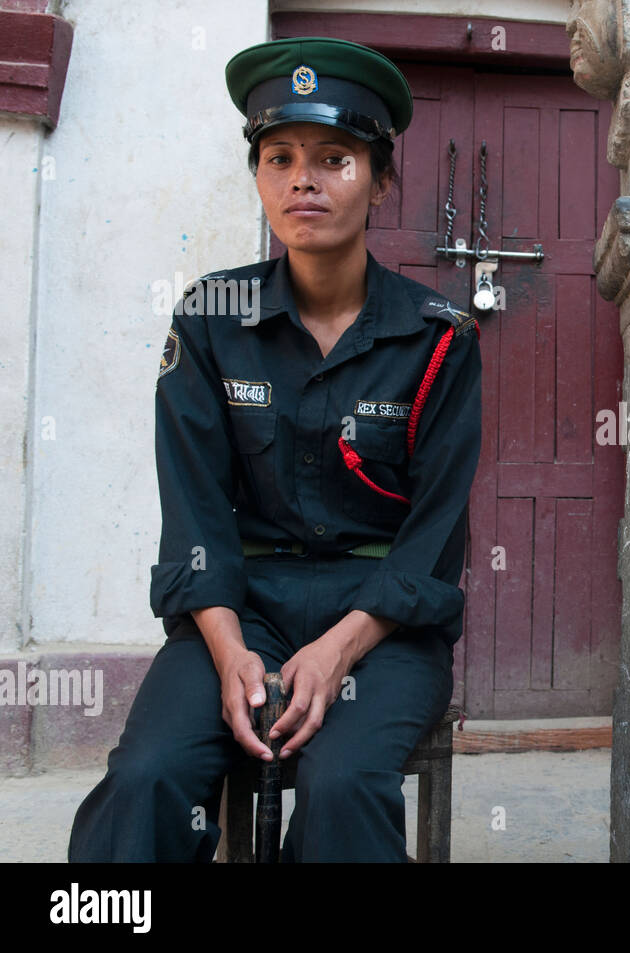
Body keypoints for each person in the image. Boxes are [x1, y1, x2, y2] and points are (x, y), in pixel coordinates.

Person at [68, 37, 482, 862]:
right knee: (146, 776)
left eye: (335, 157)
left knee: (341, 787)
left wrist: (334, 652)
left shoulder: (440, 338)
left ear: (380, 179)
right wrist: (231, 653)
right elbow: (192, 512)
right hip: (240, 606)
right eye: (279, 157)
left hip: (383, 624)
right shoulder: (210, 318)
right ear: (257, 174)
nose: (304, 180)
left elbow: (433, 537)